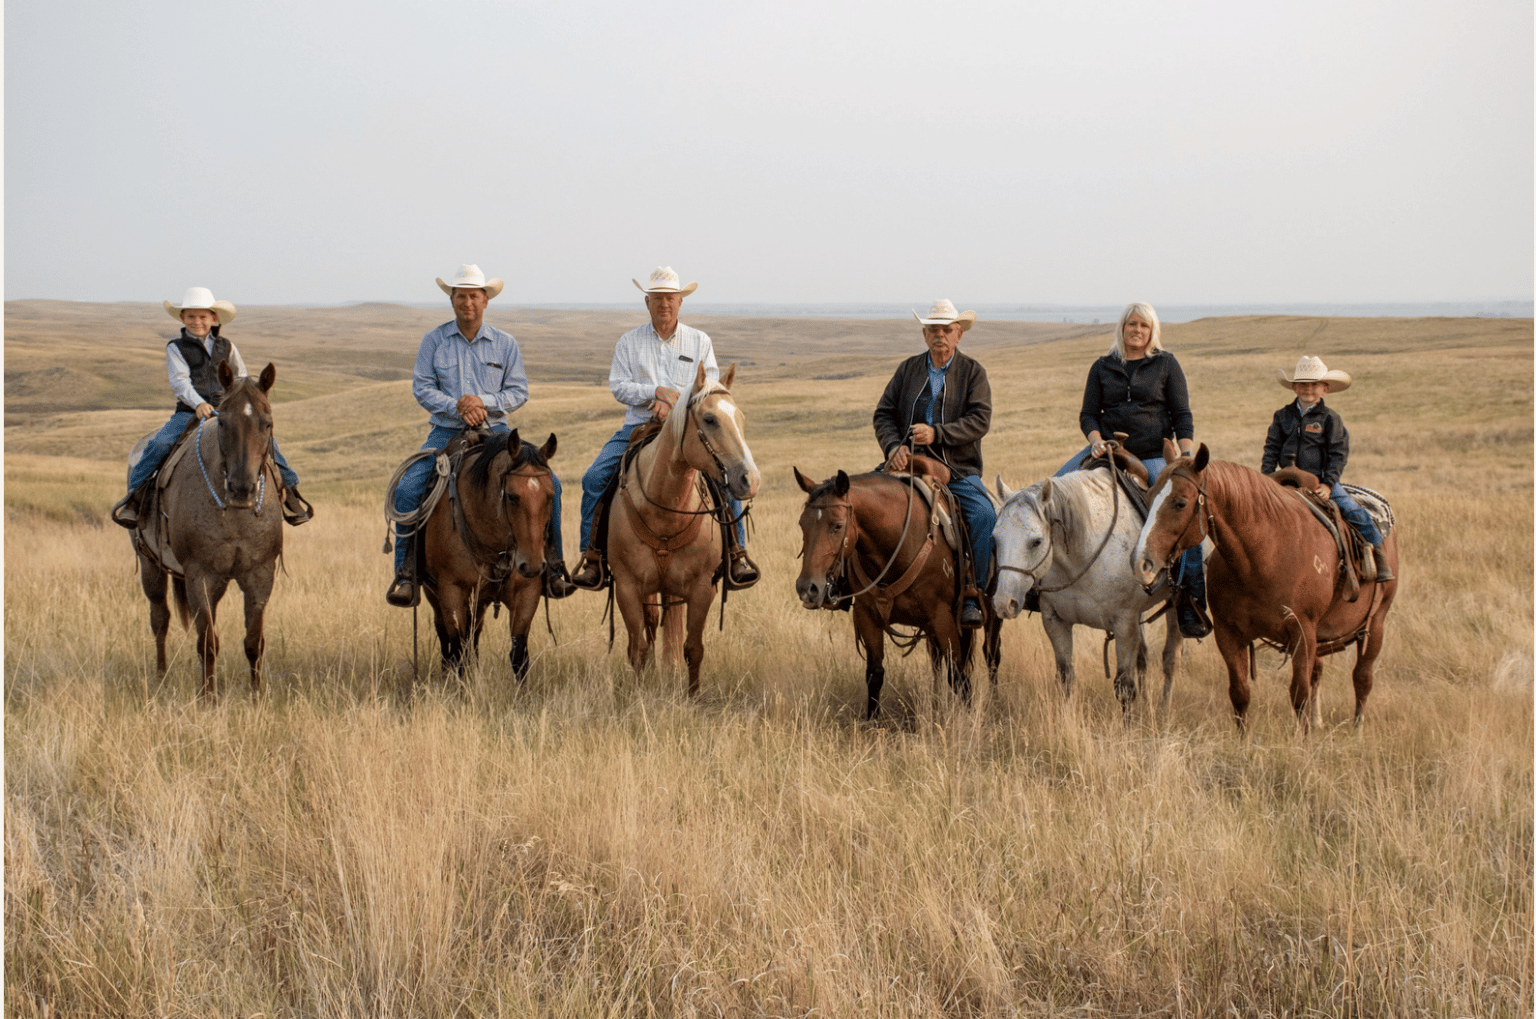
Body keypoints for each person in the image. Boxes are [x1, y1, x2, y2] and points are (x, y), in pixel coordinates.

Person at [385, 264, 573, 607]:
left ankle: (554, 565)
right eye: (461, 295)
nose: (467, 302)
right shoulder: (434, 340)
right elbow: (422, 388)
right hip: (445, 430)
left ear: (485, 301)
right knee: (408, 487)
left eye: (474, 296)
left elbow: (518, 392)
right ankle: (406, 573)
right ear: (452, 300)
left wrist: (482, 403)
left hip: (496, 432)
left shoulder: (505, 344)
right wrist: (459, 406)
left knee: (551, 485)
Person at [569, 267, 759, 591]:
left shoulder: (700, 341)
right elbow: (618, 386)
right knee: (595, 477)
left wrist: (675, 405)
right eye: (658, 299)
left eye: (671, 298)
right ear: (647, 302)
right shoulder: (628, 342)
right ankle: (593, 556)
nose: (665, 305)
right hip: (638, 427)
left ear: (680, 302)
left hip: (687, 429)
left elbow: (709, 390)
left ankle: (736, 553)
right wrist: (655, 392)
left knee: (725, 472)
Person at [1056, 301, 1209, 637]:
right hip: (1108, 450)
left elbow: (1182, 414)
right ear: (1122, 328)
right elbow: (1088, 414)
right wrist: (1095, 440)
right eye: (1132, 324)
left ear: (1152, 330)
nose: (1137, 330)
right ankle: (1046, 584)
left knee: (1181, 511)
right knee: (1053, 491)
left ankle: (1191, 598)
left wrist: (1184, 454)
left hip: (1154, 453)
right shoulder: (1102, 366)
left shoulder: (1166, 364)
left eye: (1144, 325)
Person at [112, 287, 310, 529]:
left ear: (214, 318)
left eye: (203, 316)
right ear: (182, 318)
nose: (197, 322)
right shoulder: (175, 348)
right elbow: (180, 381)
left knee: (268, 443)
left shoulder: (227, 346)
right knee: (160, 444)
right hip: (189, 412)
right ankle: (134, 497)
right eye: (191, 317)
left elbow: (242, 376)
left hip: (227, 411)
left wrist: (239, 400)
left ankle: (291, 492)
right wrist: (199, 403)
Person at [872, 299, 995, 629]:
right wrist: (893, 446)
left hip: (957, 468)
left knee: (984, 517)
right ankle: (851, 585)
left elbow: (980, 420)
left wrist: (937, 434)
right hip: (904, 464)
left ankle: (975, 592)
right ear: (925, 335)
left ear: (958, 335)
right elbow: (883, 414)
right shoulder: (908, 369)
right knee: (855, 502)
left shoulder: (972, 372)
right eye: (933, 330)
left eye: (946, 330)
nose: (939, 335)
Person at [1262, 355, 1393, 582]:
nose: (1308, 389)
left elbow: (1338, 454)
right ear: (1294, 387)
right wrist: (1266, 479)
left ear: (1325, 389)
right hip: (1286, 477)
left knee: (1352, 510)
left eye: (1314, 384)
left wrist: (1328, 484)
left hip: (1320, 480)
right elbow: (1271, 448)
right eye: (1303, 384)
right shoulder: (1282, 416)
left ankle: (1379, 553)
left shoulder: (1331, 418)